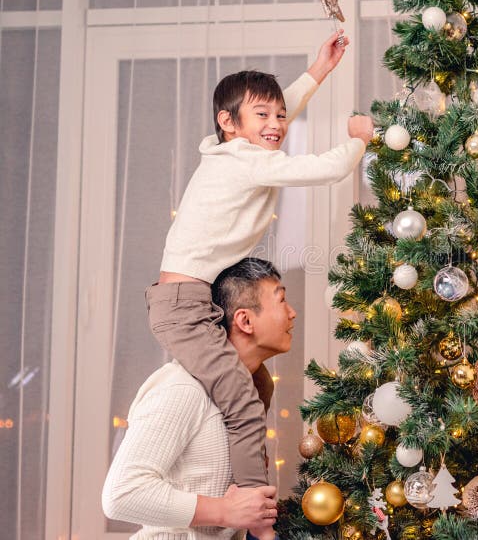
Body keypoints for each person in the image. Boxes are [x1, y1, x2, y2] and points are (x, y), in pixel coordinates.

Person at [144, 29, 372, 538]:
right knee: (244, 403)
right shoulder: (245, 160)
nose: (276, 125)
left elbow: (275, 110)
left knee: (259, 383)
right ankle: (257, 523)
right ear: (228, 123)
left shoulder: (228, 150)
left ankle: (234, 474)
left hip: (199, 299)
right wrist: (359, 139)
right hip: (183, 306)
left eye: (279, 116)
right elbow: (325, 168)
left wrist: (319, 69)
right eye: (262, 116)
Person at [103, 258, 296, 539]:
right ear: (245, 321)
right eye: (282, 301)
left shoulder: (249, 397)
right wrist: (224, 511)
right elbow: (121, 493)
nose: (292, 313)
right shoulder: (183, 387)